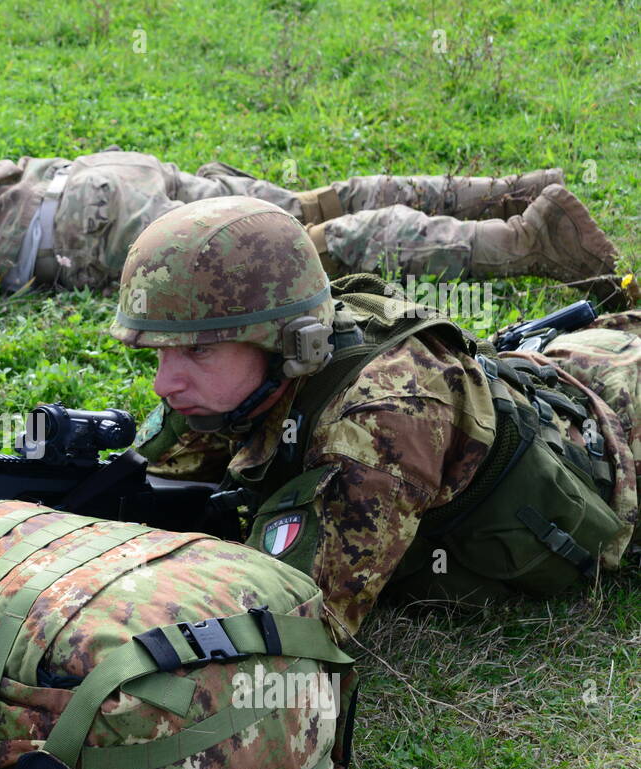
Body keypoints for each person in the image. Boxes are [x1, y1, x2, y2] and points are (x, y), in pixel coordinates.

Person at [0, 32, 619, 296]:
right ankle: (502, 189)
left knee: (301, 244)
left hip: (80, 230)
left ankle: (522, 243)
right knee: (299, 197)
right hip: (100, 177)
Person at [110, 195, 640, 643]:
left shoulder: (375, 425)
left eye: (198, 353)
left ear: (288, 344)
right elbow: (154, 488)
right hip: (561, 370)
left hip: (620, 434)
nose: (164, 384)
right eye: (160, 354)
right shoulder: (237, 385)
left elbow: (294, 626)